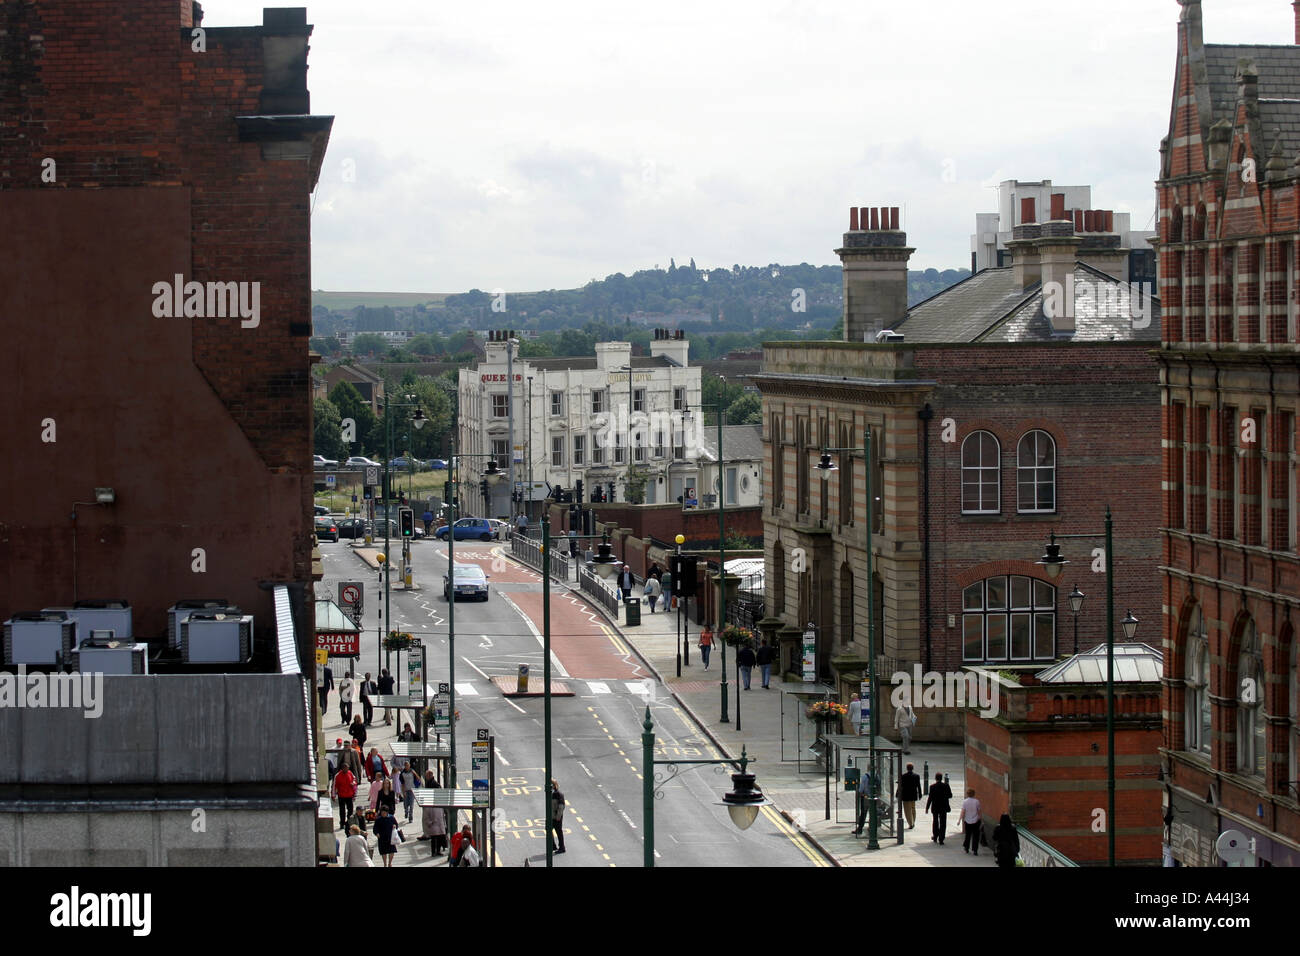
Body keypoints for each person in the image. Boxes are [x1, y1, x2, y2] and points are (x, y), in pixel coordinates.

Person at [925, 772, 952, 845]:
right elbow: (950, 795)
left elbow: (930, 798)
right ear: (942, 778)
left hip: (935, 807)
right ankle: (941, 838)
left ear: (935, 778)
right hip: (943, 806)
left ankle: (935, 836)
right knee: (943, 822)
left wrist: (927, 807)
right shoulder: (946, 786)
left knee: (935, 821)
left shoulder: (932, 787)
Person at [331, 762, 358, 831]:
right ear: (342, 768)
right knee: (342, 810)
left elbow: (354, 780)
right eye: (345, 768)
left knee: (350, 810)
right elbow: (334, 785)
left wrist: (353, 785)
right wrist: (333, 795)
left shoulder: (350, 773)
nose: (347, 769)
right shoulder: (338, 775)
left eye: (348, 768)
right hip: (341, 795)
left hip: (349, 795)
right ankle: (342, 823)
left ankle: (349, 822)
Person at [898, 762, 922, 830]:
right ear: (912, 768)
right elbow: (919, 786)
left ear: (907, 768)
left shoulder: (903, 776)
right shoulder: (916, 776)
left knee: (907, 810)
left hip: (905, 795)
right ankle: (913, 821)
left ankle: (910, 823)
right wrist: (920, 794)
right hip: (913, 795)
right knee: (913, 808)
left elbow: (900, 786)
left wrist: (898, 793)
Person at [960, 788, 982, 855]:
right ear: (974, 794)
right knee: (976, 836)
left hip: (967, 820)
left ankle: (966, 847)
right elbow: (979, 812)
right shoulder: (977, 801)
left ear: (967, 794)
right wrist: (980, 819)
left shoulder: (965, 802)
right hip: (975, 820)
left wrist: (961, 819)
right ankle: (975, 850)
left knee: (968, 835)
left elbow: (963, 812)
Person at [852, 766, 873, 835]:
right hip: (875, 797)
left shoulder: (865, 777)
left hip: (866, 797)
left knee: (863, 813)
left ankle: (860, 829)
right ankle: (872, 827)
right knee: (873, 813)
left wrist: (860, 794)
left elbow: (861, 789)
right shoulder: (877, 776)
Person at [550, 779, 567, 854]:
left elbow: (561, 806)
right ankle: (553, 845)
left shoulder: (558, 794)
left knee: (559, 832)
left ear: (554, 785)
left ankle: (562, 847)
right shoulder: (551, 794)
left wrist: (558, 817)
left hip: (557, 817)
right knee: (549, 830)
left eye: (551, 785)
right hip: (551, 816)